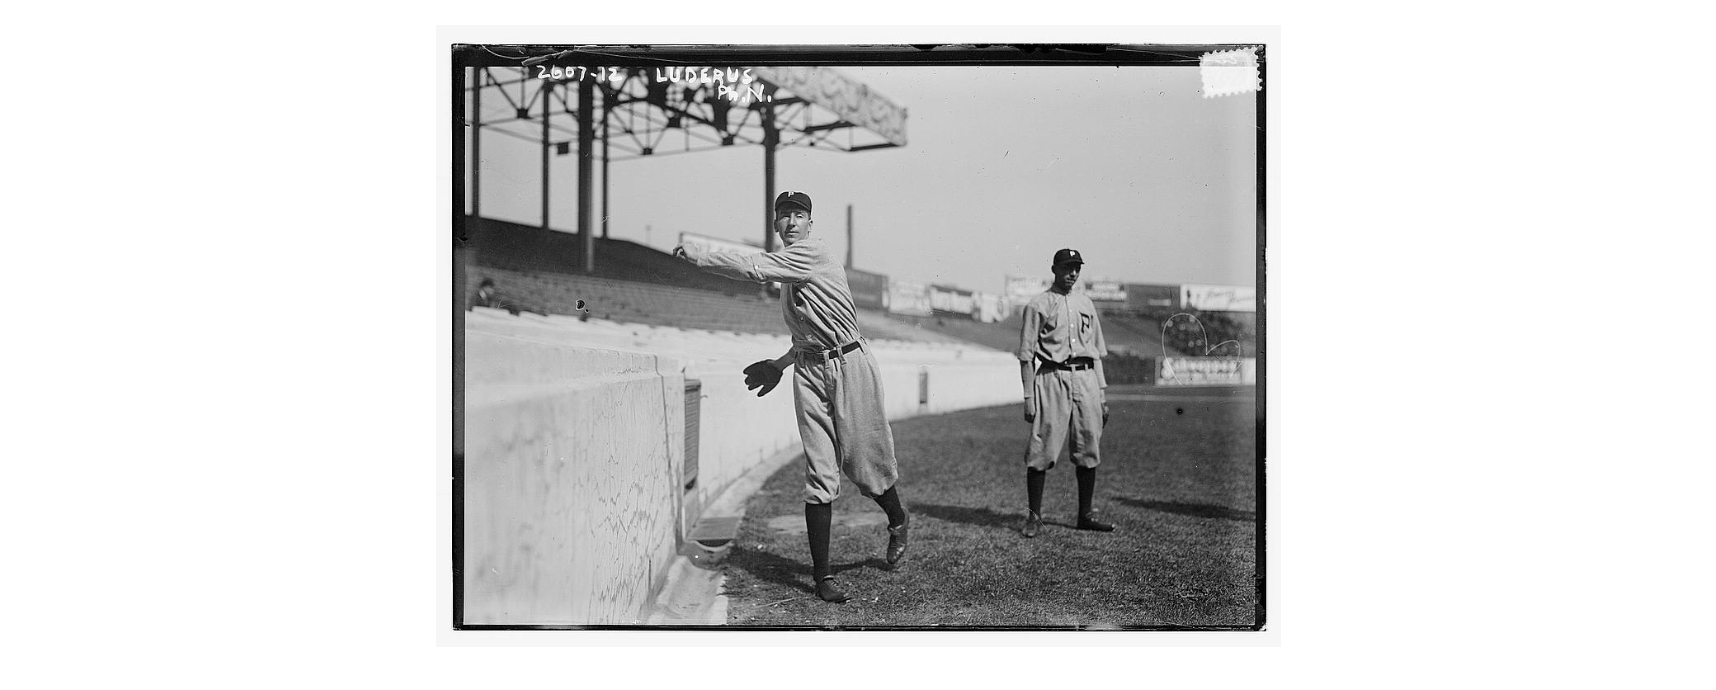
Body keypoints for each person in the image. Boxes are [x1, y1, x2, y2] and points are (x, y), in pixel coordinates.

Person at [673, 191, 909, 604]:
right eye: (784, 217)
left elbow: (752, 266)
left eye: (799, 215)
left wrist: (699, 257)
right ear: (777, 225)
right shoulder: (791, 271)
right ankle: (823, 578)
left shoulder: (811, 253)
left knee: (865, 466)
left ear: (811, 224)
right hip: (809, 369)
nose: (792, 223)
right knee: (820, 474)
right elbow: (806, 336)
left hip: (851, 365)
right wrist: (781, 365)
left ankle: (898, 518)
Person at [1016, 248, 1115, 537]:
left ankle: (1085, 514)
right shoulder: (1038, 305)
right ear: (1054, 269)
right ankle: (1034, 516)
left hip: (1086, 379)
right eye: (1067, 267)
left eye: (1077, 268)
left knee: (1088, 447)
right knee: (1041, 449)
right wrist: (1028, 397)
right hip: (1052, 377)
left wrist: (1103, 394)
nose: (1072, 273)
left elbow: (1096, 352)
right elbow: (1025, 355)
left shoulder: (1086, 303)